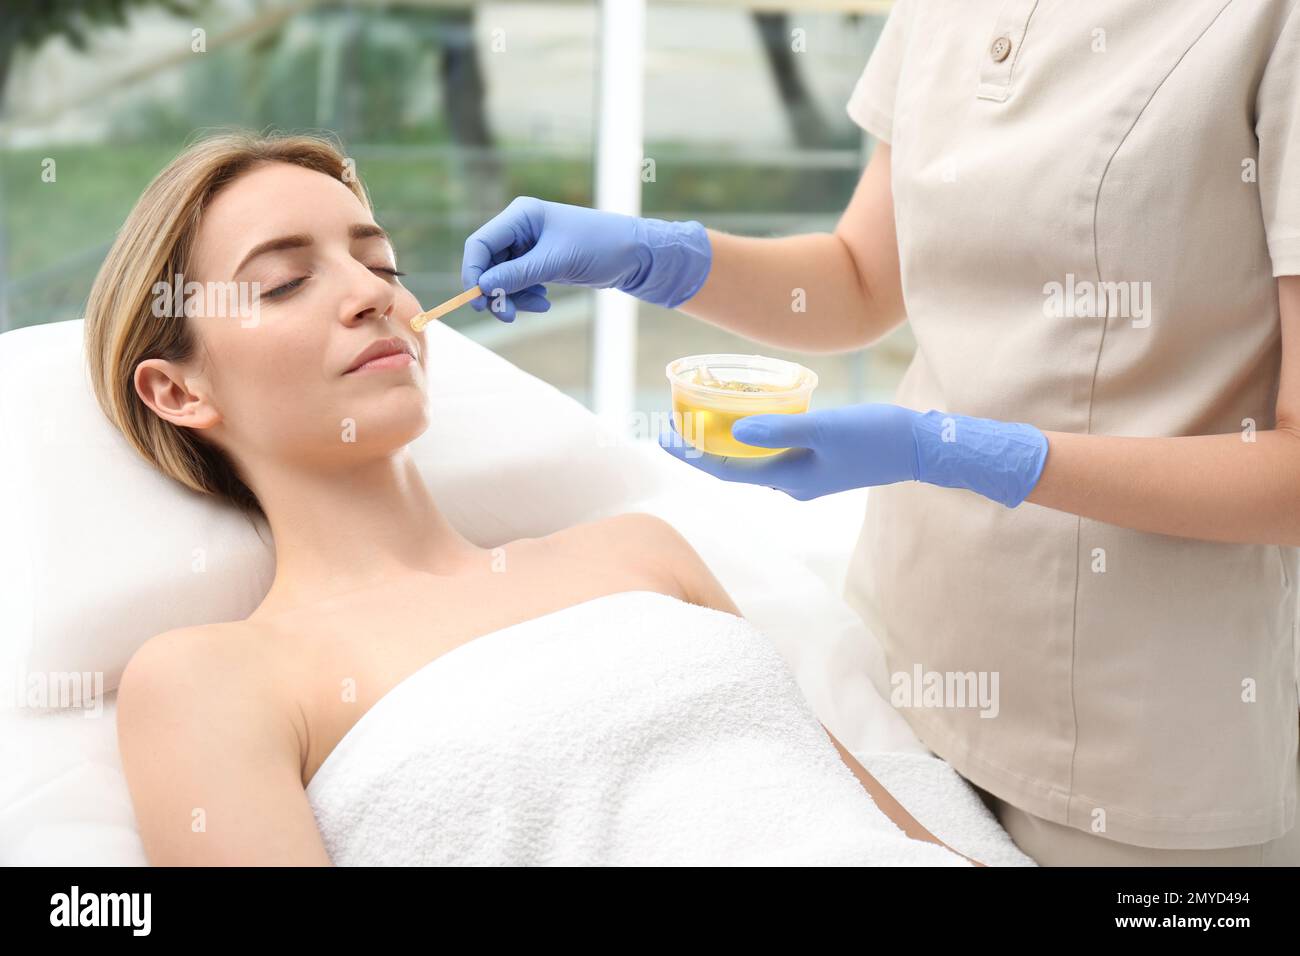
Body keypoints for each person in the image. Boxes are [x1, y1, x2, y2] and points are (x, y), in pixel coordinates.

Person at [459, 0, 1300, 864]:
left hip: (1135, 749)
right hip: (897, 663)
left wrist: (954, 452)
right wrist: (648, 256)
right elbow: (860, 279)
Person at [87, 132, 982, 866]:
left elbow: (883, 830)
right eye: (284, 281)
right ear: (177, 391)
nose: (369, 294)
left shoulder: (641, 553)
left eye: (383, 264)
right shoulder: (212, 678)